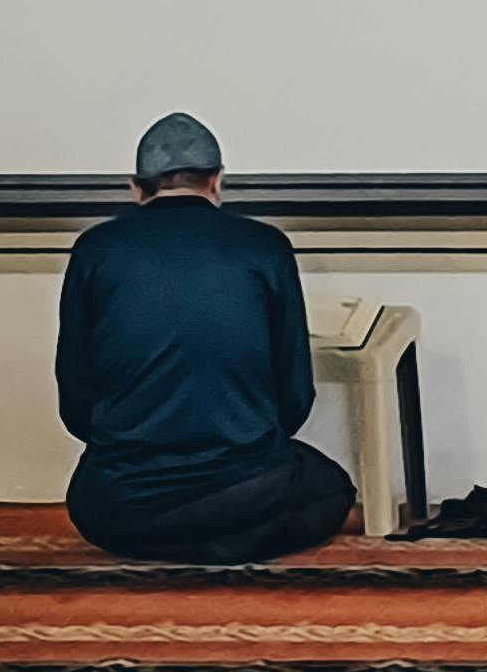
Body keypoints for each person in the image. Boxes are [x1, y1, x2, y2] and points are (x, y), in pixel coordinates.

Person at [55, 115, 355, 565]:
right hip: (246, 486)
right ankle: (222, 542)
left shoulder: (95, 249)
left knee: (87, 499)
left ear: (136, 188)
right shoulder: (265, 246)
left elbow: (75, 395)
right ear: (217, 181)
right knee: (332, 488)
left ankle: (170, 540)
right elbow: (294, 395)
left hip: (123, 503)